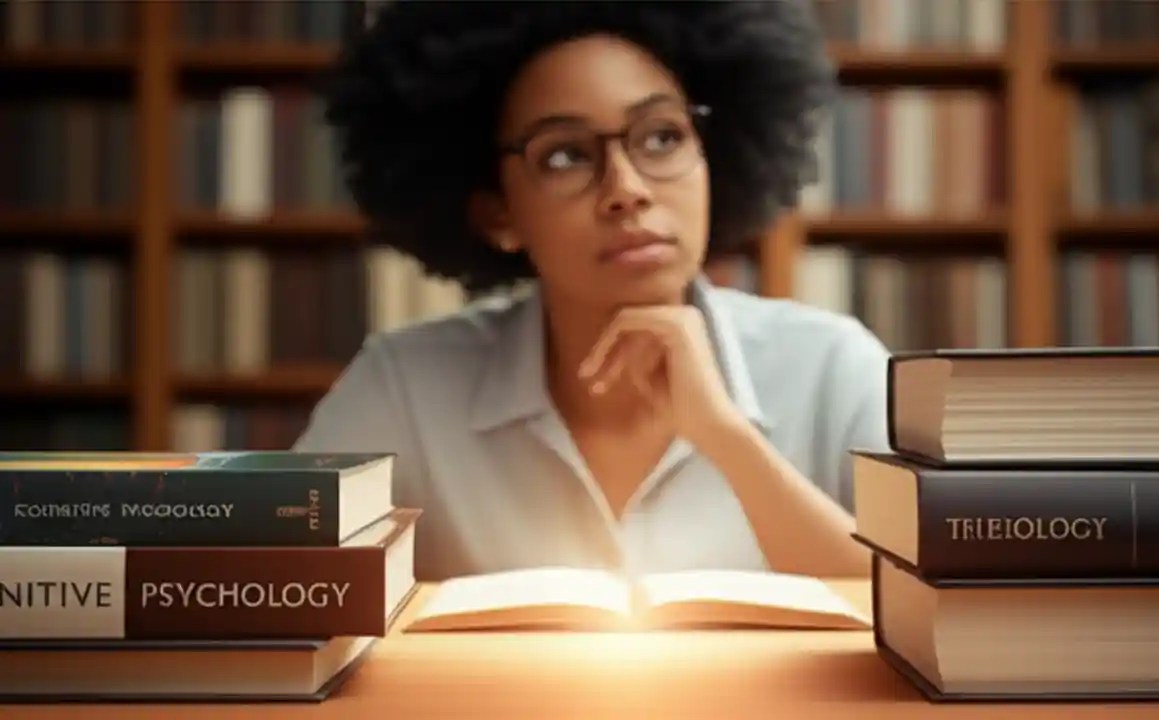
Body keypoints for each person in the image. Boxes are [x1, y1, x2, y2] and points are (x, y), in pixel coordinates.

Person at [294, 0, 892, 582]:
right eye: (564, 156)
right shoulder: (406, 386)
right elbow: (264, 578)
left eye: (661, 138)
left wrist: (727, 438)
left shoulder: (830, 366)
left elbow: (935, 612)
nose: (626, 189)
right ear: (497, 213)